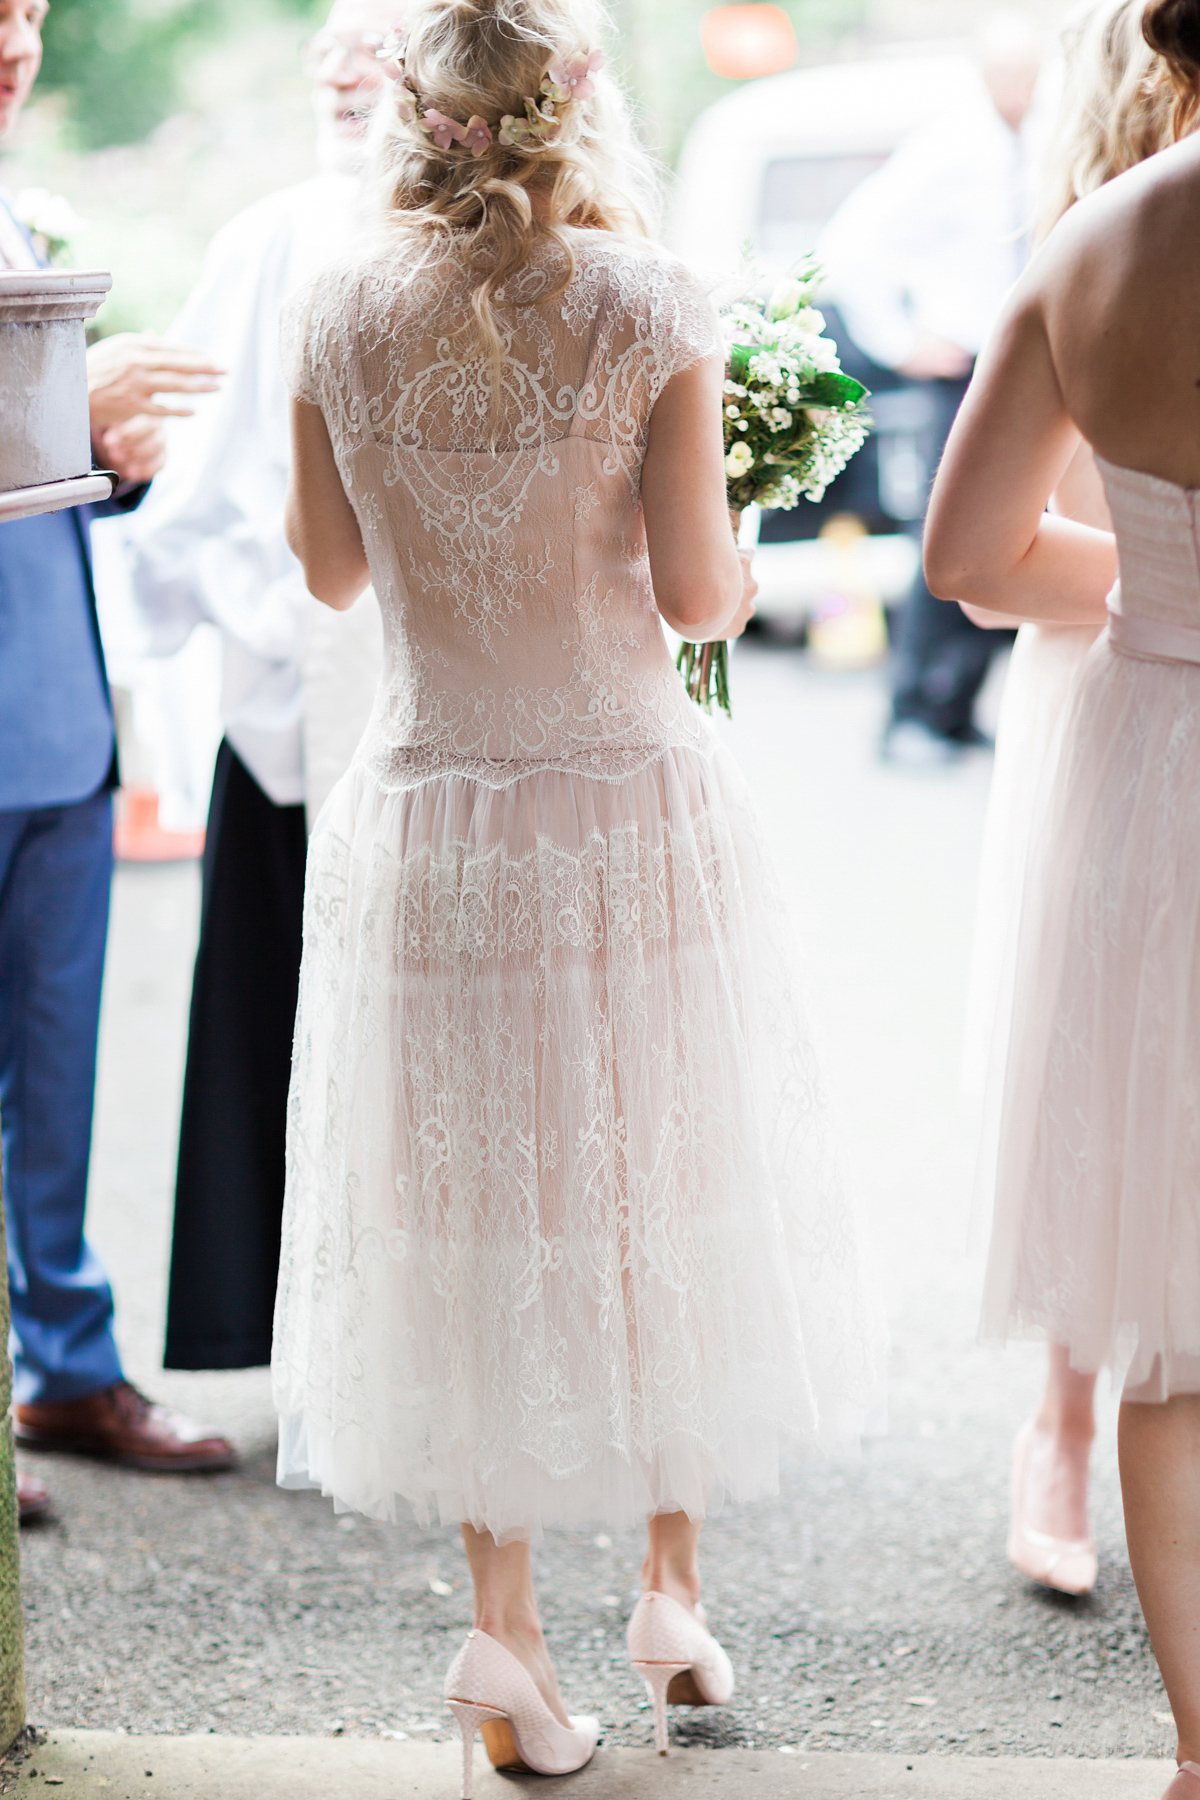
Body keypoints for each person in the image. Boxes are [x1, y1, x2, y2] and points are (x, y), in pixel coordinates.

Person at [271, 0, 888, 1789]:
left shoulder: (334, 305)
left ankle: (507, 1627)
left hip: (430, 816)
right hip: (624, 810)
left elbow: (327, 572)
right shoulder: (648, 301)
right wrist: (737, 532)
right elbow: (696, 598)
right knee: (660, 1172)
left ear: (421, 112)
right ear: (575, 101)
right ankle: (673, 1591)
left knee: (470, 1205)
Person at [923, 2, 1200, 1789]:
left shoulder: (1089, 245)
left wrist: (1170, 579)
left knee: (1178, 1331)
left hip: (1154, 773)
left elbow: (969, 557)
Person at [122, 0, 401, 1375]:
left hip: (484, 706)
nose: (337, 67)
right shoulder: (276, 239)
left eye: (374, 38)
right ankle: (300, 1338)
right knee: (285, 1026)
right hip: (307, 700)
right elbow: (193, 490)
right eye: (324, 43)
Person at [0, 0, 235, 1523]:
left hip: (57, 725)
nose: (14, 41)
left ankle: (69, 1367)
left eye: (29, 11)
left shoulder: (28, 217)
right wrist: (57, 421)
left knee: (58, 1081)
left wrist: (110, 460)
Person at [960, 0, 1174, 1599]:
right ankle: (1058, 1428)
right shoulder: (1091, 249)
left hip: (1153, 699)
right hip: (1120, 687)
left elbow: (971, 555)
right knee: (1122, 1077)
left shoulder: (1099, 250)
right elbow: (988, 573)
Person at [817, 12, 1042, 766]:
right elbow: (852, 247)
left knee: (1017, 539)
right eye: (1011, 71)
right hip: (967, 370)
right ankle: (912, 711)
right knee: (953, 537)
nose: (1023, 86)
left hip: (1029, 367)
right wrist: (902, 342)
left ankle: (955, 707)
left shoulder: (1045, 141)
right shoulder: (948, 149)